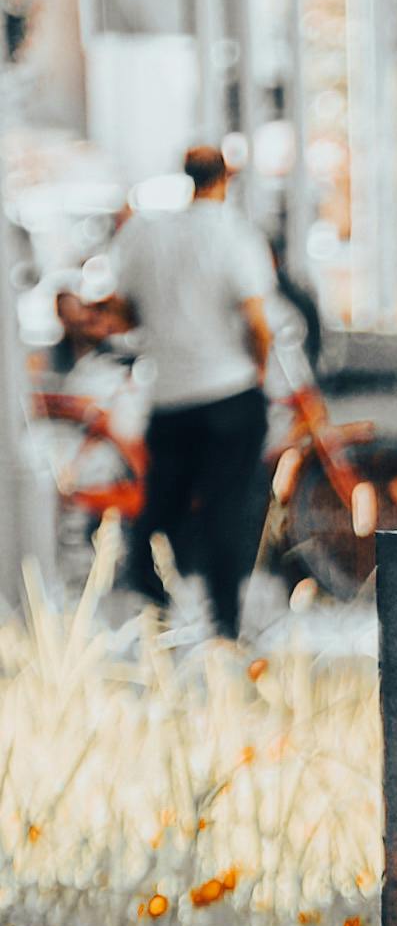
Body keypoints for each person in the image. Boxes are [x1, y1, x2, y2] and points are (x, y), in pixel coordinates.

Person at [107, 146, 278, 640]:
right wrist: (259, 369)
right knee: (226, 508)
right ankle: (224, 626)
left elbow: (123, 312)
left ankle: (150, 599)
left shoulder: (147, 234)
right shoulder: (234, 234)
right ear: (225, 179)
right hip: (228, 390)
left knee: (161, 504)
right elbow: (256, 320)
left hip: (170, 395)